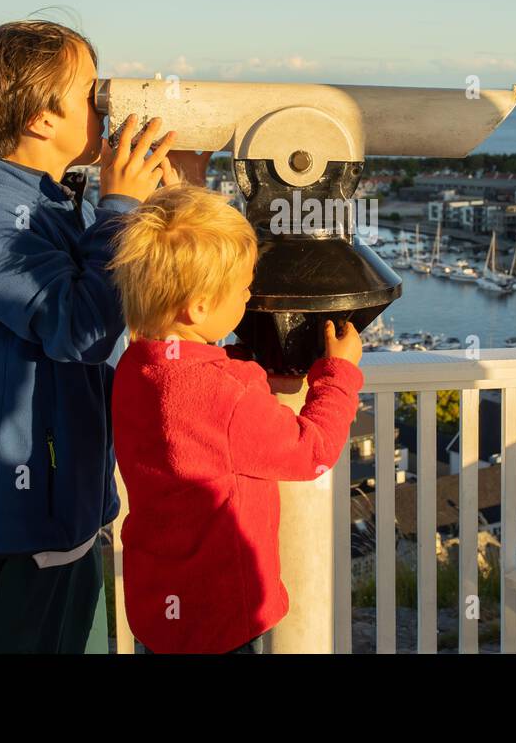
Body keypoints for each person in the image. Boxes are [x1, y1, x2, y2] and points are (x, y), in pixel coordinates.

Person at [0, 20, 177, 652]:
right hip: (4, 542)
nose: (108, 109)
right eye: (93, 94)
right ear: (42, 117)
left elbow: (136, 303)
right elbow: (81, 330)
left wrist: (165, 207)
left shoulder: (64, 211)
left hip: (66, 530)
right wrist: (120, 211)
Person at [109, 183, 364, 653]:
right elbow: (312, 453)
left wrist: (242, 363)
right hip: (220, 614)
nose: (249, 296)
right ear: (199, 306)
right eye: (244, 286)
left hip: (163, 609)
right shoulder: (224, 394)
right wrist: (339, 374)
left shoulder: (137, 366)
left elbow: (190, 398)